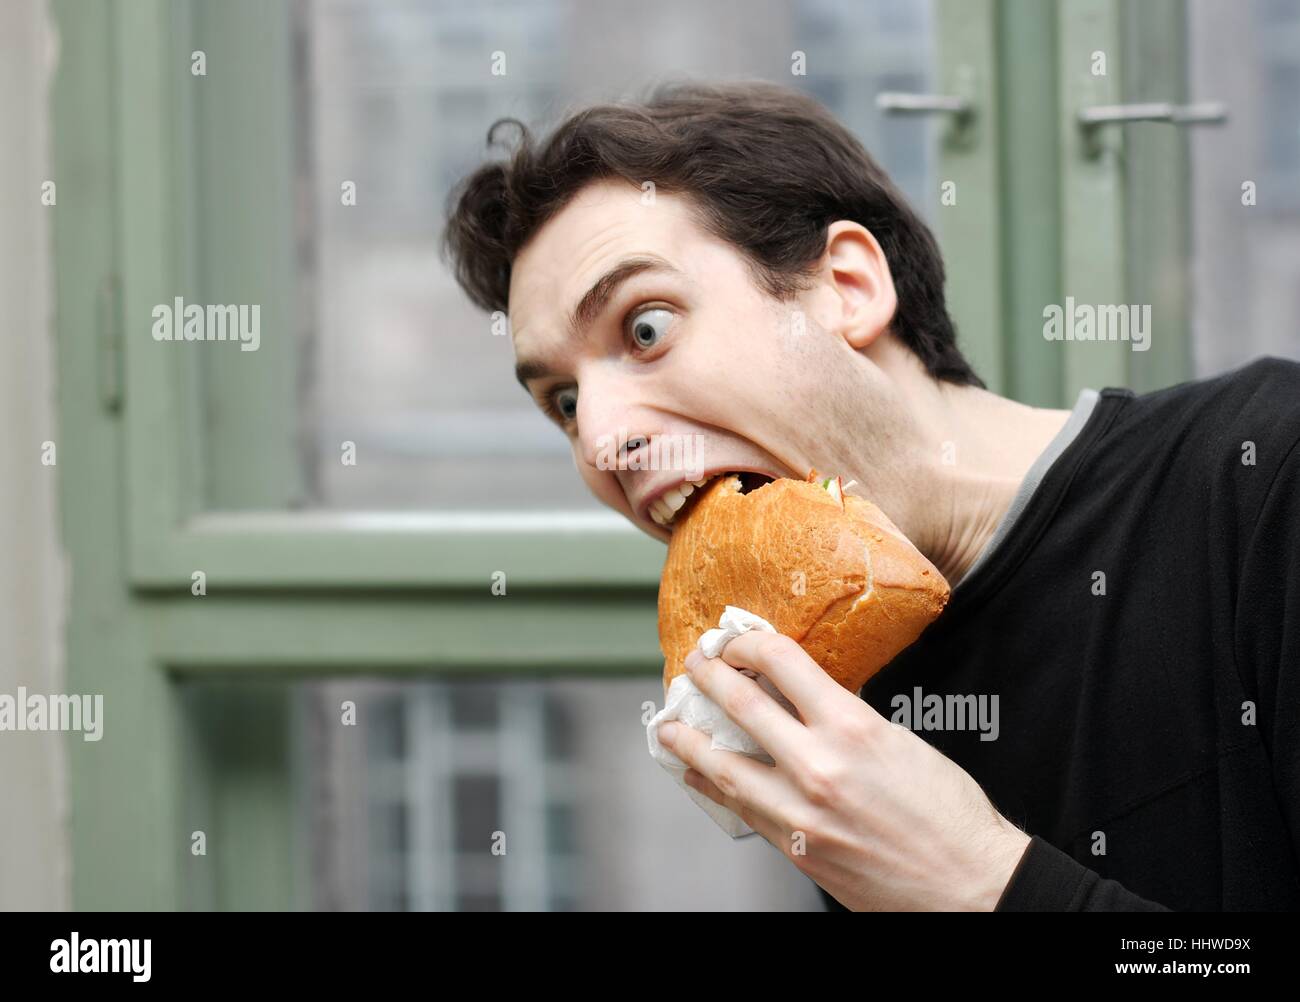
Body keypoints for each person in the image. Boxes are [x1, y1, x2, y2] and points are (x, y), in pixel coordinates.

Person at [442, 80, 1300, 910]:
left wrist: (982, 886)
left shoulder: (1268, 478)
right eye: (563, 400)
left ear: (848, 287)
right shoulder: (839, 685)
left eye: (645, 327)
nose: (599, 440)